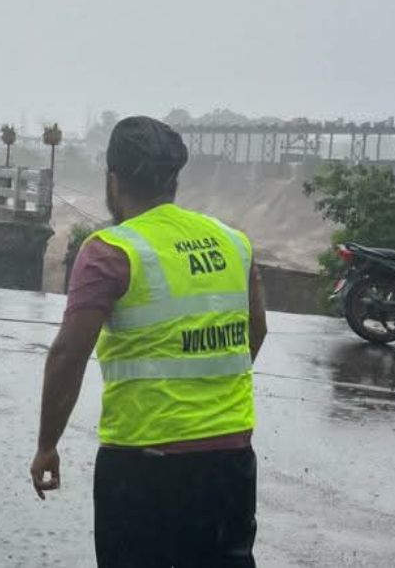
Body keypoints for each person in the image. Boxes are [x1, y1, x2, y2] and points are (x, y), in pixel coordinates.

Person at [30, 115, 267, 568]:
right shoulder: (233, 242)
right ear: (173, 179)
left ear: (113, 180)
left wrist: (47, 445)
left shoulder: (110, 251)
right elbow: (255, 332)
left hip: (143, 464)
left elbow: (68, 354)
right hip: (231, 459)